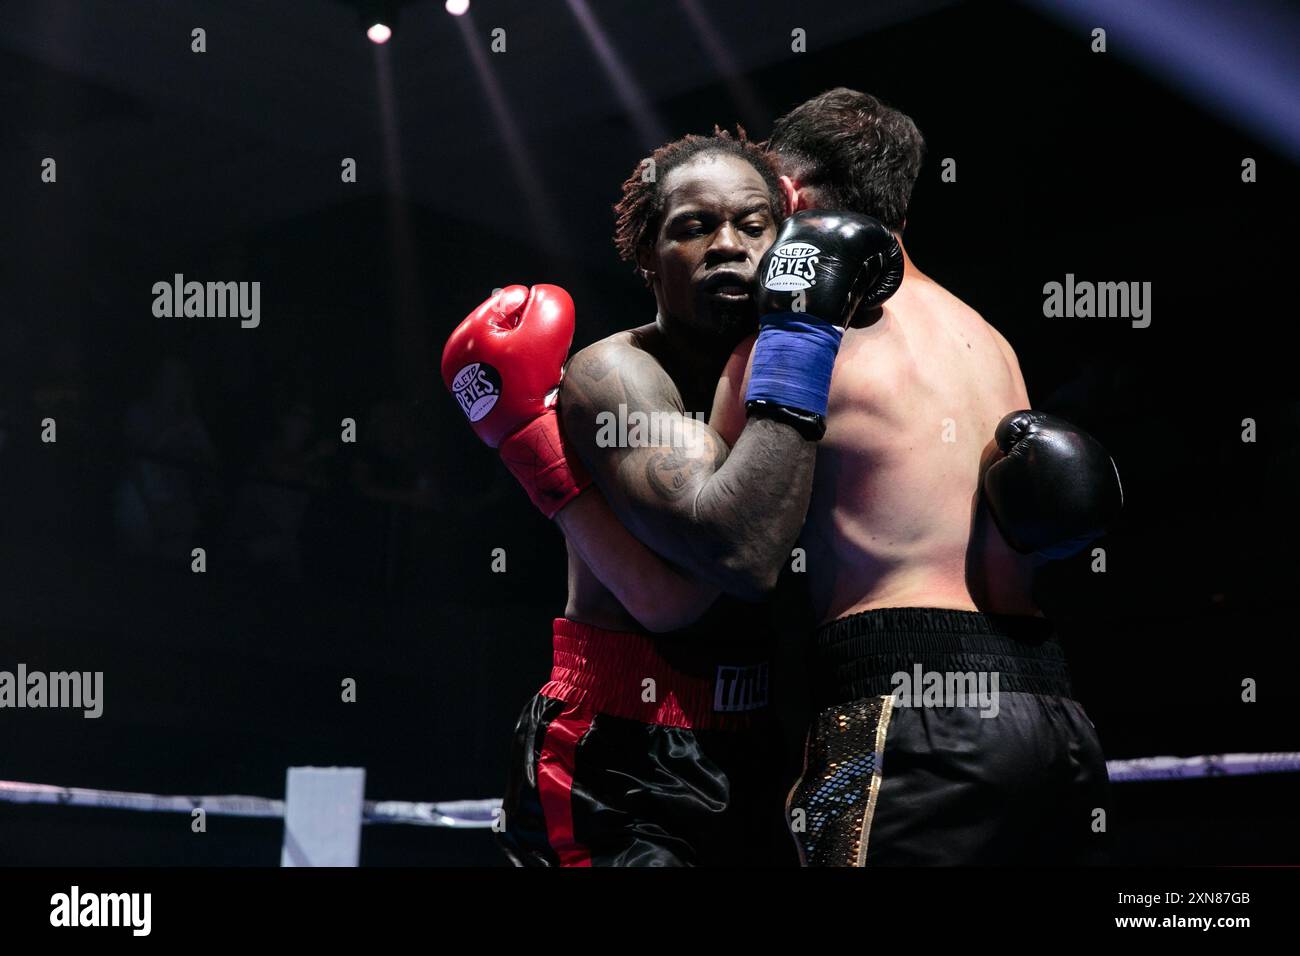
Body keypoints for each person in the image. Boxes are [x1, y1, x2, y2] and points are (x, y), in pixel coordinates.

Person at [441, 128, 902, 865]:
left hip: (759, 741)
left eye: (754, 225)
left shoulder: (803, 366)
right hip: (621, 749)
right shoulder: (615, 376)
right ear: (648, 260)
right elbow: (723, 569)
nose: (729, 245)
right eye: (695, 226)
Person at [709, 89, 1123, 865]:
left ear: (790, 194)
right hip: (1054, 719)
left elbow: (720, 536)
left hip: (905, 715)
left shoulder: (802, 341)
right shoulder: (989, 339)